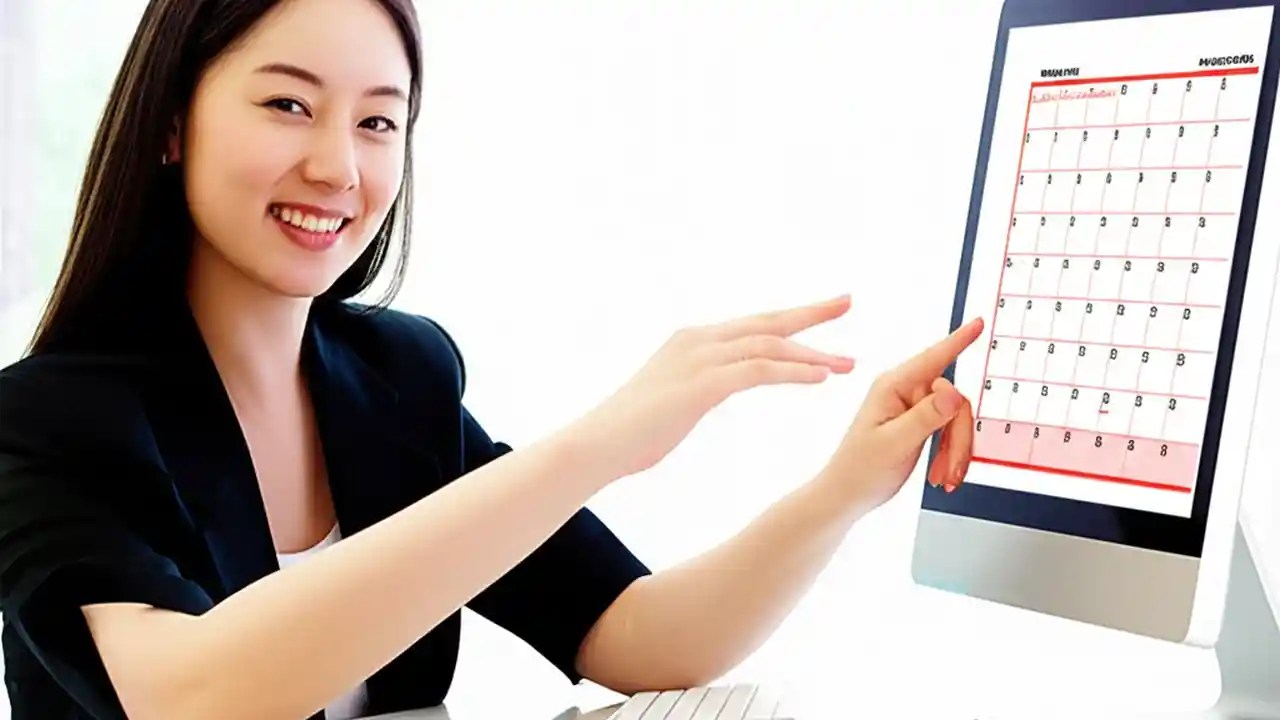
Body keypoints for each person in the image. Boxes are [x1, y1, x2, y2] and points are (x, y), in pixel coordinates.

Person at [0, 0, 983, 718]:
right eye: (289, 106)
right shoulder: (45, 422)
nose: (340, 168)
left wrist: (843, 490)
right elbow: (187, 695)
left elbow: (639, 635)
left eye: (378, 121)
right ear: (171, 123)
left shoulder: (398, 380)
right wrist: (597, 445)